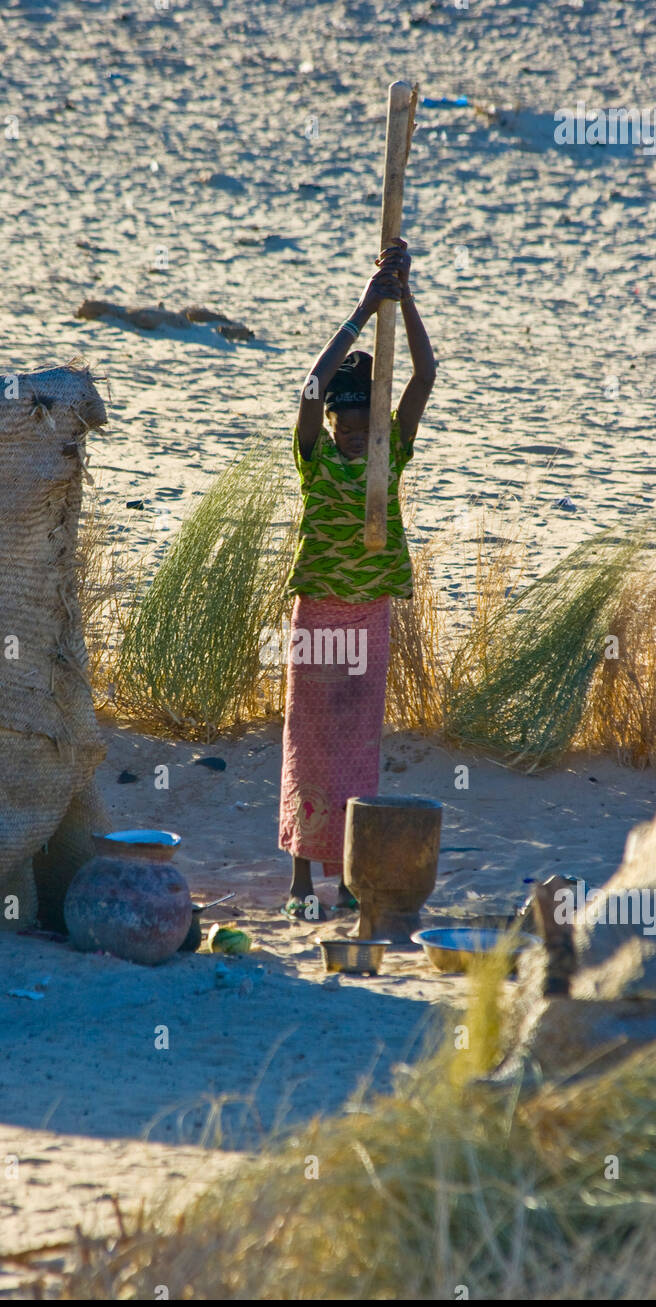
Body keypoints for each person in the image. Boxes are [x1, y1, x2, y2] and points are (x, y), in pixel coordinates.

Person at [278, 236, 436, 920]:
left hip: (368, 615)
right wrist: (365, 306)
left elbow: (425, 375)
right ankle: (297, 881)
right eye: (345, 418)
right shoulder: (314, 458)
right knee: (308, 745)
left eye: (362, 419)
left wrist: (405, 301)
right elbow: (310, 386)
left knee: (356, 751)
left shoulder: (389, 456)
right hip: (317, 617)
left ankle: (347, 878)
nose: (349, 428)